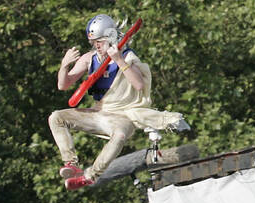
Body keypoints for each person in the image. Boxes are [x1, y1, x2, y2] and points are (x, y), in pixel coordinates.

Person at [50, 13, 190, 190]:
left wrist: (118, 60)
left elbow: (139, 84)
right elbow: (63, 85)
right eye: (93, 43)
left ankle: (91, 175)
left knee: (120, 135)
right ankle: (71, 163)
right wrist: (64, 66)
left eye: (99, 42)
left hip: (122, 115)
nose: (96, 46)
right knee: (56, 117)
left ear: (110, 37)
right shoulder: (89, 58)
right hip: (99, 112)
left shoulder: (127, 56)